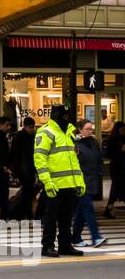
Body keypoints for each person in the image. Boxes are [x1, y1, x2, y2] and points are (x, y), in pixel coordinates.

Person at [34, 104, 84, 257]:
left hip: (69, 183)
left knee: (66, 218)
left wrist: (79, 181)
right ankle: (47, 246)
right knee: (51, 217)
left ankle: (65, 245)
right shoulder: (46, 132)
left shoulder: (69, 132)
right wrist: (47, 182)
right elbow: (39, 159)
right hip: (54, 184)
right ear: (55, 115)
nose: (66, 117)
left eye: (68, 115)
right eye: (63, 115)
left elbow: (73, 159)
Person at [72, 118, 106, 248]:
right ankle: (96, 237)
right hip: (80, 181)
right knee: (88, 207)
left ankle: (75, 237)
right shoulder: (74, 142)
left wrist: (99, 173)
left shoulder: (94, 142)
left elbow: (99, 158)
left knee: (82, 210)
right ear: (80, 129)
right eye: (87, 129)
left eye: (91, 128)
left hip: (92, 179)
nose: (90, 131)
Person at [9, 115, 37, 220]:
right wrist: (18, 170)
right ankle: (27, 214)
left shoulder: (29, 137)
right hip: (24, 169)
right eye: (30, 127)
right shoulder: (21, 137)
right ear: (25, 126)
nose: (32, 129)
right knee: (27, 193)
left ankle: (25, 214)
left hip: (27, 169)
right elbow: (17, 156)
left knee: (27, 193)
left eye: (33, 127)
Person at [103, 120, 125, 217]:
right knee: (116, 186)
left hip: (122, 166)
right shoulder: (113, 140)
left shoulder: (123, 138)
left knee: (119, 186)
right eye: (122, 129)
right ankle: (109, 207)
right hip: (117, 166)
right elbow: (109, 154)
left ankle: (109, 207)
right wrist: (121, 150)